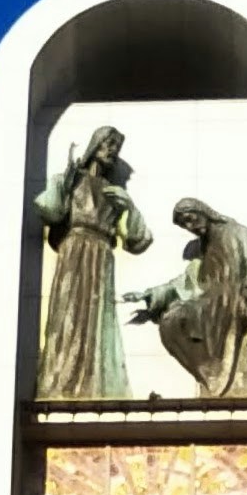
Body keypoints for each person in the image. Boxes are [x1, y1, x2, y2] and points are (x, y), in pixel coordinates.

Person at [33, 124, 152, 400]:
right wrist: (65, 181)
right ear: (95, 145)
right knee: (68, 316)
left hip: (101, 255)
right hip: (74, 250)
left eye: (116, 147)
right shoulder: (71, 179)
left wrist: (129, 208)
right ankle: (60, 382)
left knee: (97, 322)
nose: (112, 151)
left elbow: (139, 240)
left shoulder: (114, 192)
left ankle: (93, 382)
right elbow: (49, 211)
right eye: (108, 144)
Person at [129, 195, 247, 400]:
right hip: (211, 301)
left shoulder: (238, 232)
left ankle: (221, 378)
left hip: (232, 299)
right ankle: (209, 374)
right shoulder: (203, 247)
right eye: (185, 224)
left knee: (186, 318)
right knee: (171, 321)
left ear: (203, 211)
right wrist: (152, 296)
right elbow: (188, 281)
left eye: (190, 218)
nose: (190, 225)